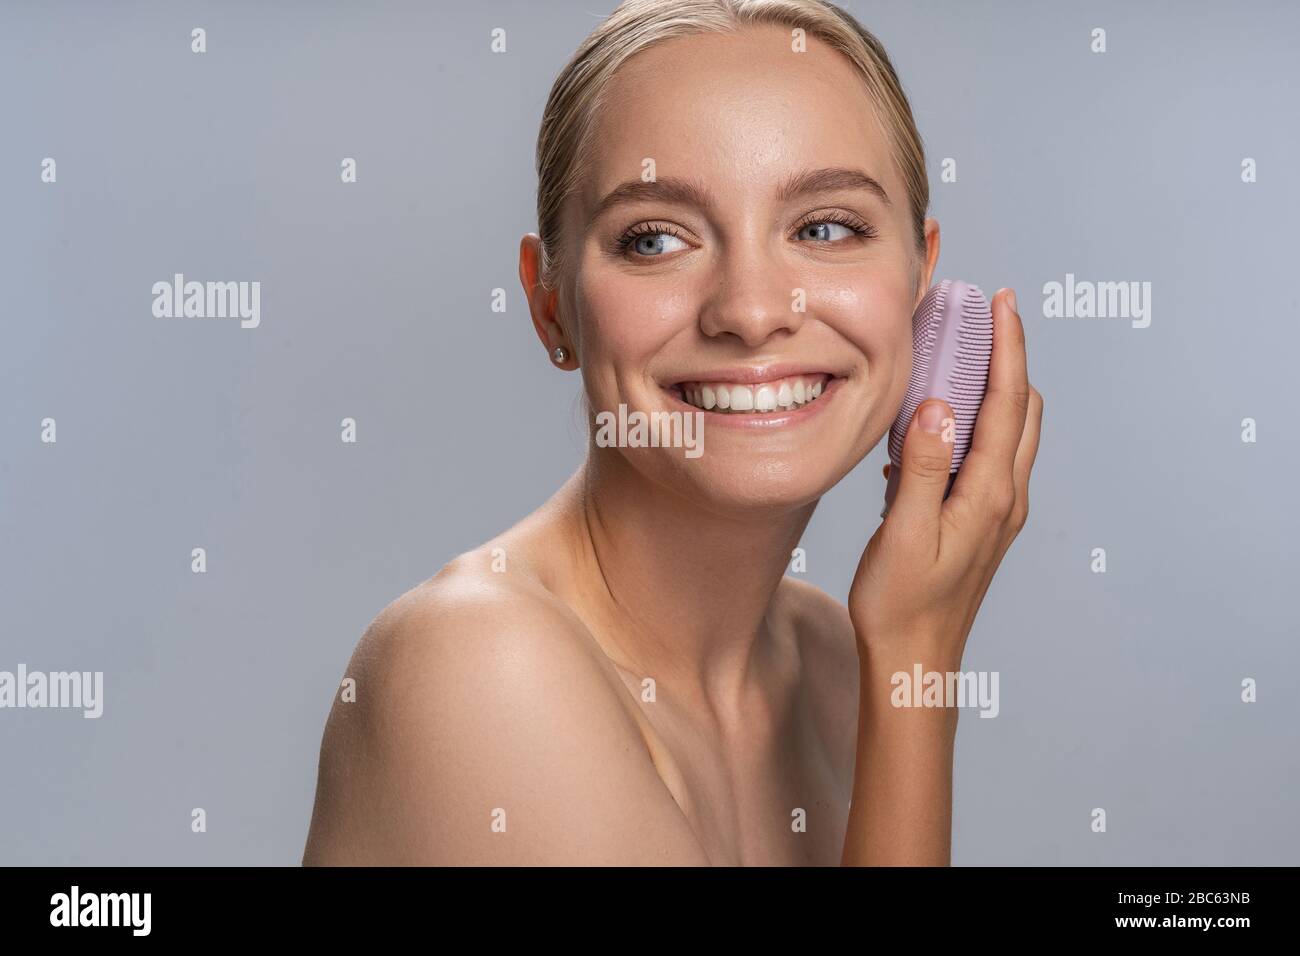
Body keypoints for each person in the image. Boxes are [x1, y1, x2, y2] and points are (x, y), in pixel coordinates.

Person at [303, 0, 1043, 866]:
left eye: (825, 228)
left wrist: (900, 658)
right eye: (656, 239)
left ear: (922, 286)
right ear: (549, 304)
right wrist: (921, 659)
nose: (754, 311)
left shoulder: (840, 662)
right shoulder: (477, 669)